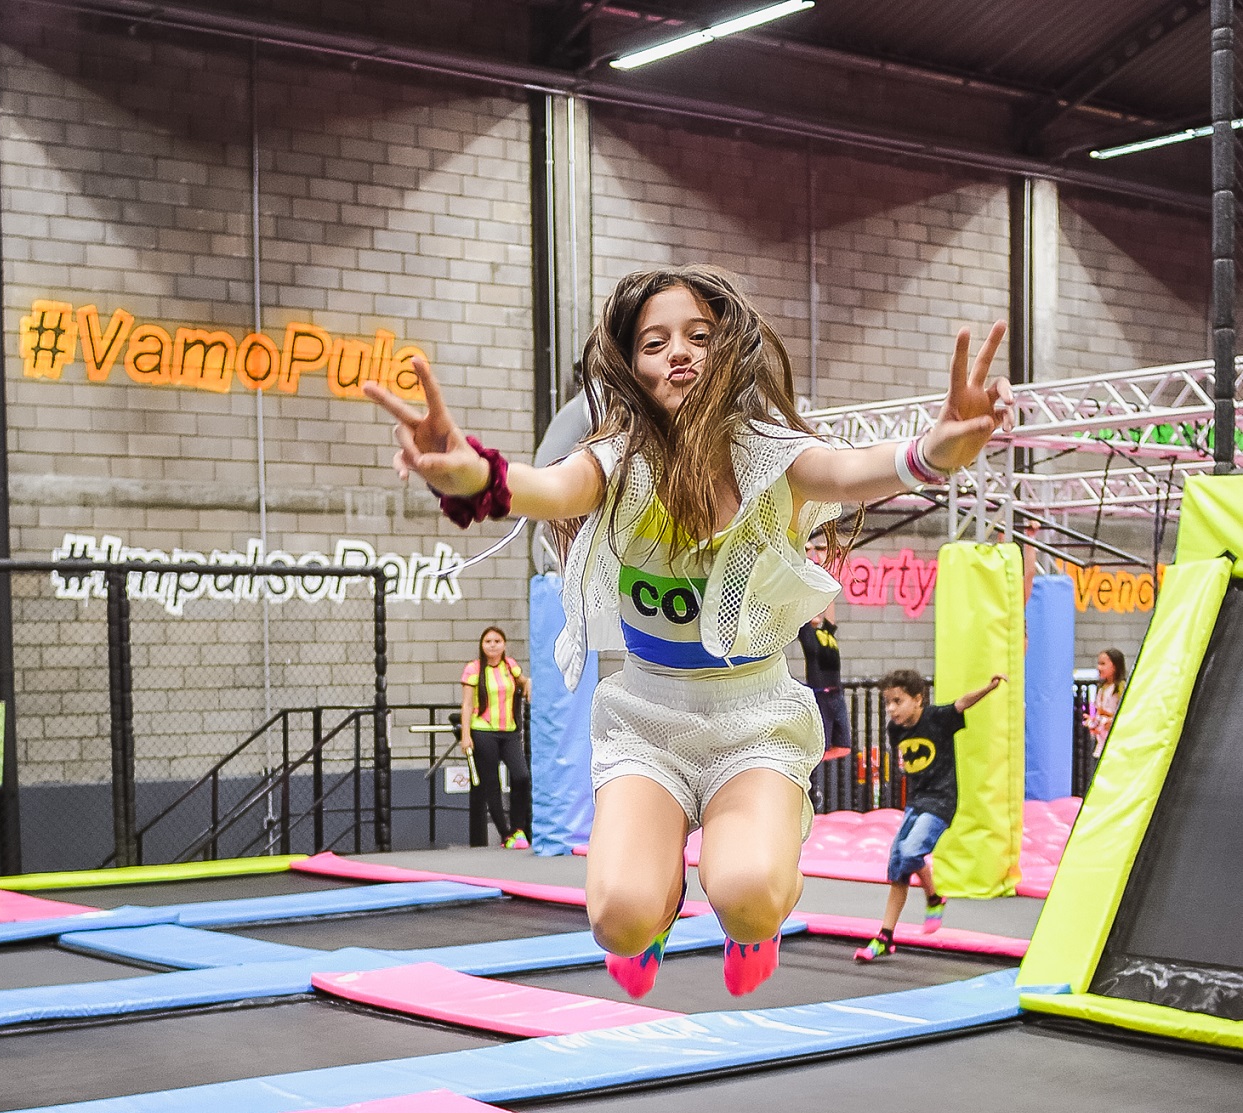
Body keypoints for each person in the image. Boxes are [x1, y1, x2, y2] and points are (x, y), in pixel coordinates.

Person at [363, 267, 1013, 997]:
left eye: (698, 336)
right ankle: (662, 900)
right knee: (618, 920)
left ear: (726, 350)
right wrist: (472, 475)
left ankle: (757, 916)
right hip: (646, 715)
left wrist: (935, 453)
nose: (679, 352)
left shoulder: (770, 455)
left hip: (753, 716)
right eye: (655, 341)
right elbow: (547, 488)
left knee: (744, 894)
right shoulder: (615, 463)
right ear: (629, 364)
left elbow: (852, 469)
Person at [854, 667, 1007, 963]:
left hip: (941, 801)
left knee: (911, 851)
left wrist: (988, 688)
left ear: (918, 699)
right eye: (887, 702)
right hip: (916, 802)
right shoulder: (895, 730)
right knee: (898, 865)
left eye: (898, 701)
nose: (891, 709)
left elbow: (962, 703)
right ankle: (885, 935)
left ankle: (934, 896)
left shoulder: (937, 718)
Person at [460, 626, 531, 849]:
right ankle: (506, 834)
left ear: (504, 644)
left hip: (509, 731)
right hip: (483, 730)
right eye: (488, 641)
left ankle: (519, 829)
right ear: (482, 645)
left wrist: (528, 684)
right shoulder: (473, 669)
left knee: (521, 776)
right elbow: (467, 704)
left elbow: (523, 682)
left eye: (497, 641)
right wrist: (465, 736)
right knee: (492, 784)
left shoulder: (510, 666)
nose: (492, 645)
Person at [797, 544, 850, 811]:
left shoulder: (827, 632)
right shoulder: (808, 633)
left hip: (836, 693)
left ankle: (820, 788)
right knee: (821, 747)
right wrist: (807, 560)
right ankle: (812, 793)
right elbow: (803, 600)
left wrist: (821, 564)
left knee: (844, 745)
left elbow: (831, 600)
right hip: (820, 695)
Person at [1086, 648, 1126, 768]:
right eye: (1098, 663)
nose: (1099, 667)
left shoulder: (1120, 687)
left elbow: (1123, 715)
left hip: (1115, 747)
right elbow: (1100, 712)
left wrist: (1109, 721)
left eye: (1103, 664)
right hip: (1100, 745)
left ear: (1115, 666)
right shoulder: (1102, 688)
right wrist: (1094, 721)